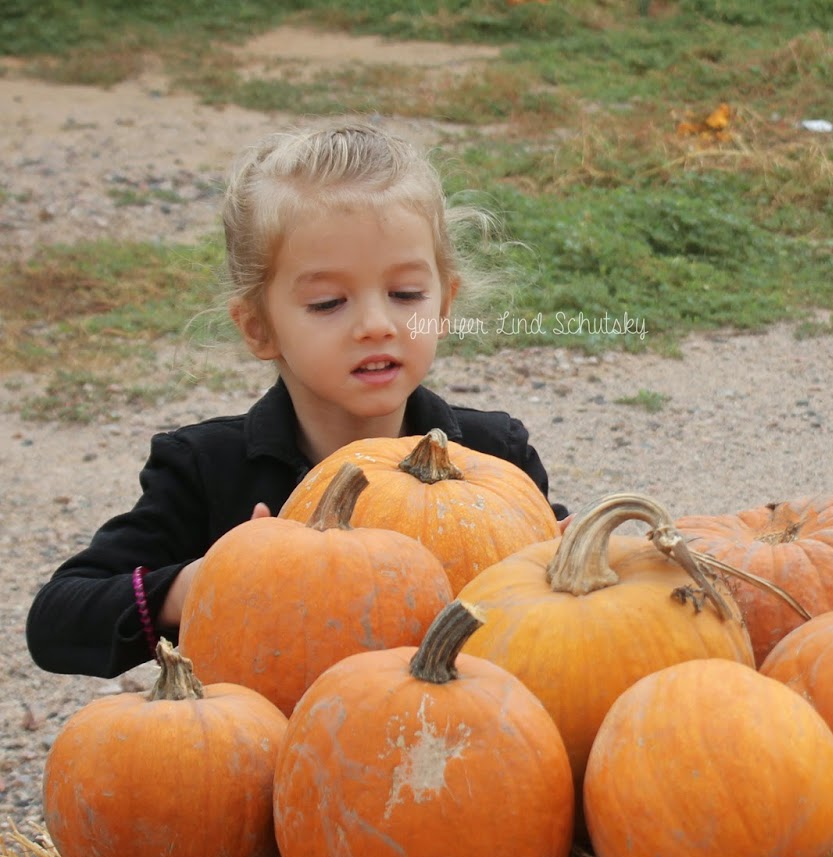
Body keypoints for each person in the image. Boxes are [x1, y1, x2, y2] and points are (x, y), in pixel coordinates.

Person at [27, 118, 565, 679]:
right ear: (259, 327)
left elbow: (561, 619)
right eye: (328, 303)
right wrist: (200, 584)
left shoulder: (494, 454)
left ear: (444, 306)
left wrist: (572, 564)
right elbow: (55, 621)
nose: (376, 324)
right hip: (277, 733)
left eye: (406, 294)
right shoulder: (208, 469)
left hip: (465, 728)